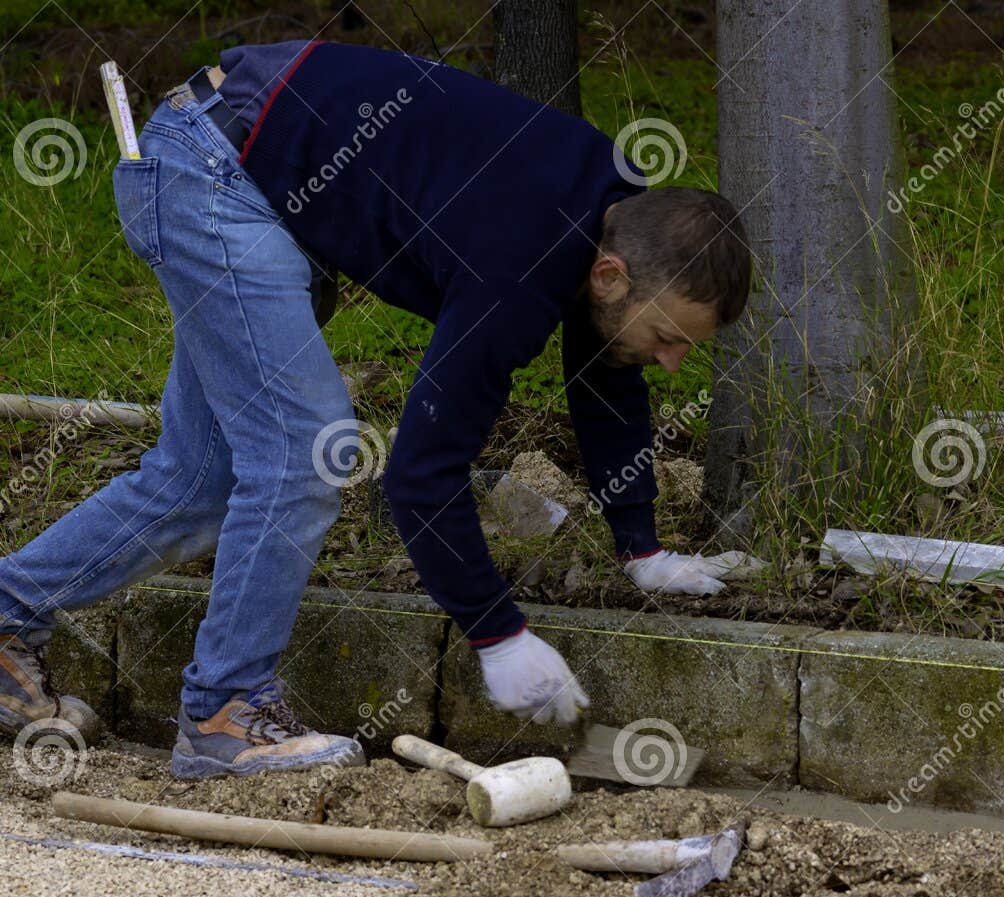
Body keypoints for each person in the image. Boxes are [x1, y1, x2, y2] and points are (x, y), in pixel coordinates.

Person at [0, 40, 752, 780]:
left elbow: (606, 368)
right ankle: (224, 714)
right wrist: (498, 634)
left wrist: (642, 551)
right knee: (305, 451)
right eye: (667, 337)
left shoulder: (612, 209)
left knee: (201, 478)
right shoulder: (521, 262)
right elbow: (421, 475)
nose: (672, 361)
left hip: (229, 163)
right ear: (611, 275)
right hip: (210, 171)